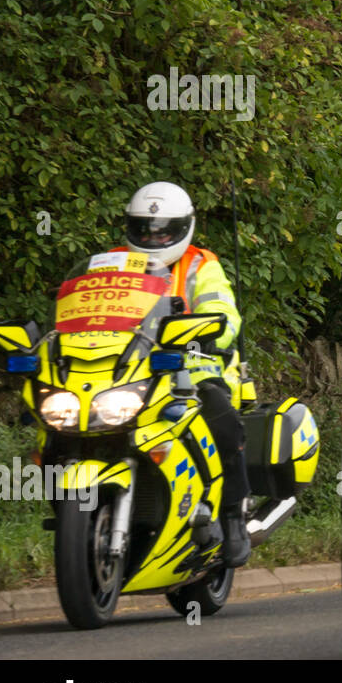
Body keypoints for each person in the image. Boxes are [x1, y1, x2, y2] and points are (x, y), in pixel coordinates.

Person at [122, 182, 252, 568]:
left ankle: (232, 515)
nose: (153, 237)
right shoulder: (112, 262)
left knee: (220, 419)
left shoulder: (200, 263)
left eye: (163, 229)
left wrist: (211, 333)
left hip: (195, 368)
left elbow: (225, 313)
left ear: (184, 228)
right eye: (144, 228)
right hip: (129, 370)